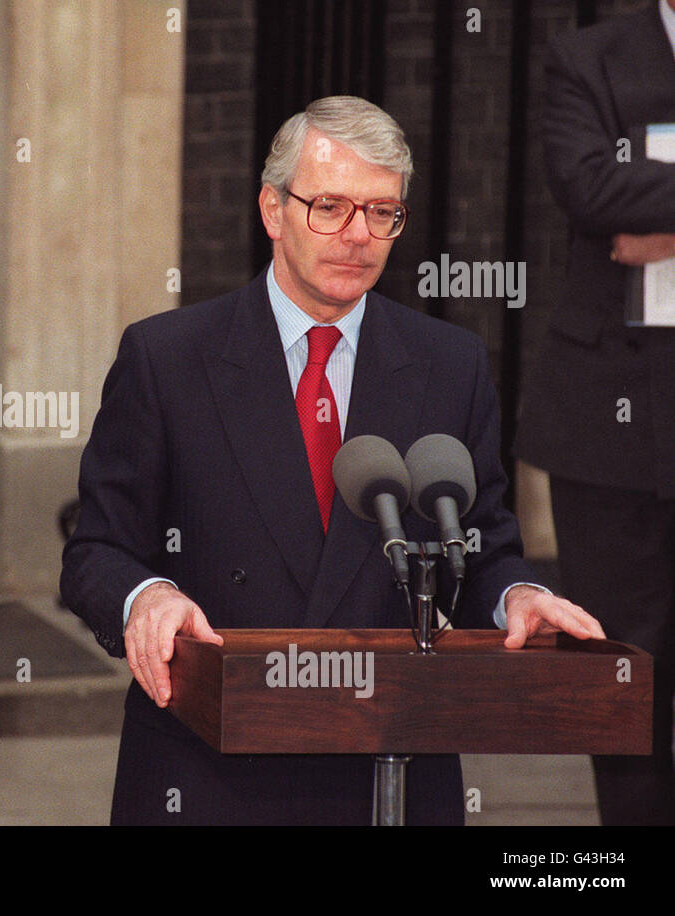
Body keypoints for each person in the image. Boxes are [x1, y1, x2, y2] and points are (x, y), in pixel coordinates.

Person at [61, 95, 604, 826]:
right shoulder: (169, 359)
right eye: (331, 207)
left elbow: (477, 544)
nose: (358, 236)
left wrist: (517, 599)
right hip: (208, 766)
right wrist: (147, 596)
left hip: (391, 761)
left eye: (382, 213)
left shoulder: (450, 365)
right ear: (271, 209)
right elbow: (96, 550)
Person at [515, 0, 675, 825]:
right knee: (624, 680)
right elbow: (588, 186)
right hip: (610, 432)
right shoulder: (589, 57)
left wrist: (661, 218)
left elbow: (629, 200)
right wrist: (625, 208)